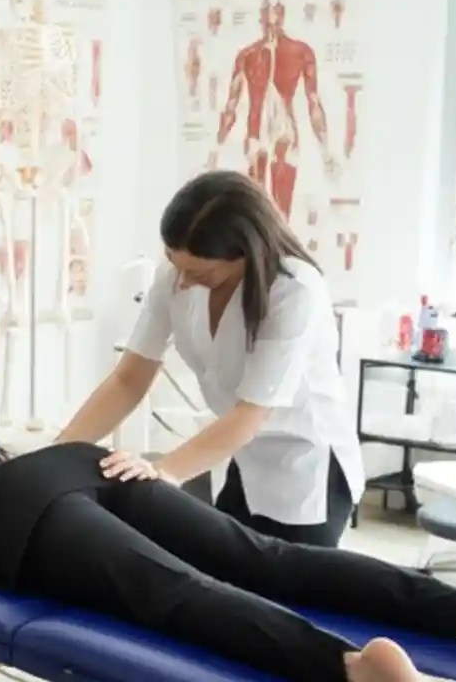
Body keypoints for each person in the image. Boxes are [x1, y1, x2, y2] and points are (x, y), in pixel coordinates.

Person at [0, 435, 456, 682]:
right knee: (265, 555)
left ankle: (348, 669)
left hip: (15, 513)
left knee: (176, 592)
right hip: (81, 460)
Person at [58, 170, 365, 547]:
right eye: (175, 263)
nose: (182, 281)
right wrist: (56, 454)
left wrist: (161, 472)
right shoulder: (174, 277)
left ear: (244, 255)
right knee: (226, 578)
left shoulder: (295, 290)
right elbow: (129, 379)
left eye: (199, 272)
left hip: (308, 468)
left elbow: (250, 413)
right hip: (241, 454)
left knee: (290, 590)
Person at [208, 0, 338, 219]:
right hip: (259, 134)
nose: (270, 25)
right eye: (268, 19)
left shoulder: (296, 52)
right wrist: (216, 149)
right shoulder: (249, 55)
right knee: (257, 213)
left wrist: (326, 151)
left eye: (273, 19)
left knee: (277, 213)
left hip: (278, 132)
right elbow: (231, 104)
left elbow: (313, 100)